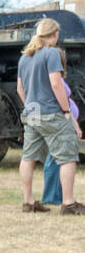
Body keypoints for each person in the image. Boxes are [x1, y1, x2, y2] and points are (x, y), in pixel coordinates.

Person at [17, 19, 82, 214]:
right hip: (51, 112)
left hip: (32, 113)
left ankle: (28, 202)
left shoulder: (25, 57)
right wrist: (66, 110)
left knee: (28, 156)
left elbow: (20, 89)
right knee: (67, 157)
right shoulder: (52, 53)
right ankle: (68, 203)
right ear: (55, 34)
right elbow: (56, 83)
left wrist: (30, 104)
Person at [41, 46, 78, 207]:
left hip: (62, 121)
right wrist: (69, 118)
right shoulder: (54, 79)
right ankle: (52, 196)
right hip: (60, 122)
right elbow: (62, 101)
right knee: (56, 159)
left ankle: (55, 195)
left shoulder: (57, 78)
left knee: (54, 158)